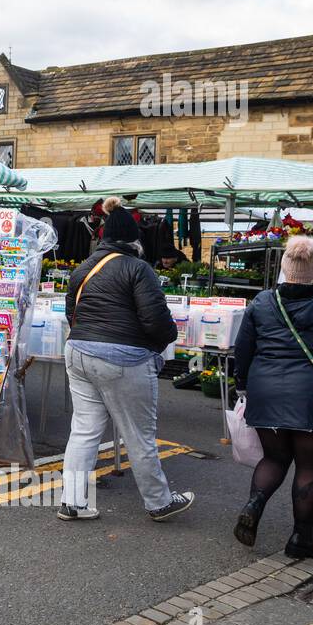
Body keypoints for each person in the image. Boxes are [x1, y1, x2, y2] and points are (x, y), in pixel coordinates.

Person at [59, 196, 194, 522]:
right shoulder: (138, 268)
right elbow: (157, 322)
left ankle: (73, 501)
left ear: (105, 237)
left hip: (77, 352)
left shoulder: (84, 267)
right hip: (122, 358)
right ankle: (159, 502)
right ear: (134, 239)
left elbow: (70, 313)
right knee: (138, 433)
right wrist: (162, 343)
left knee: (84, 429)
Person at [232, 236, 313, 559]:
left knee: (274, 458)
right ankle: (301, 540)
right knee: (309, 466)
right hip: (311, 398)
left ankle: (254, 504)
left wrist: (242, 385)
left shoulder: (260, 303)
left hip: (266, 393)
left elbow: (243, 350)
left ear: (285, 269)